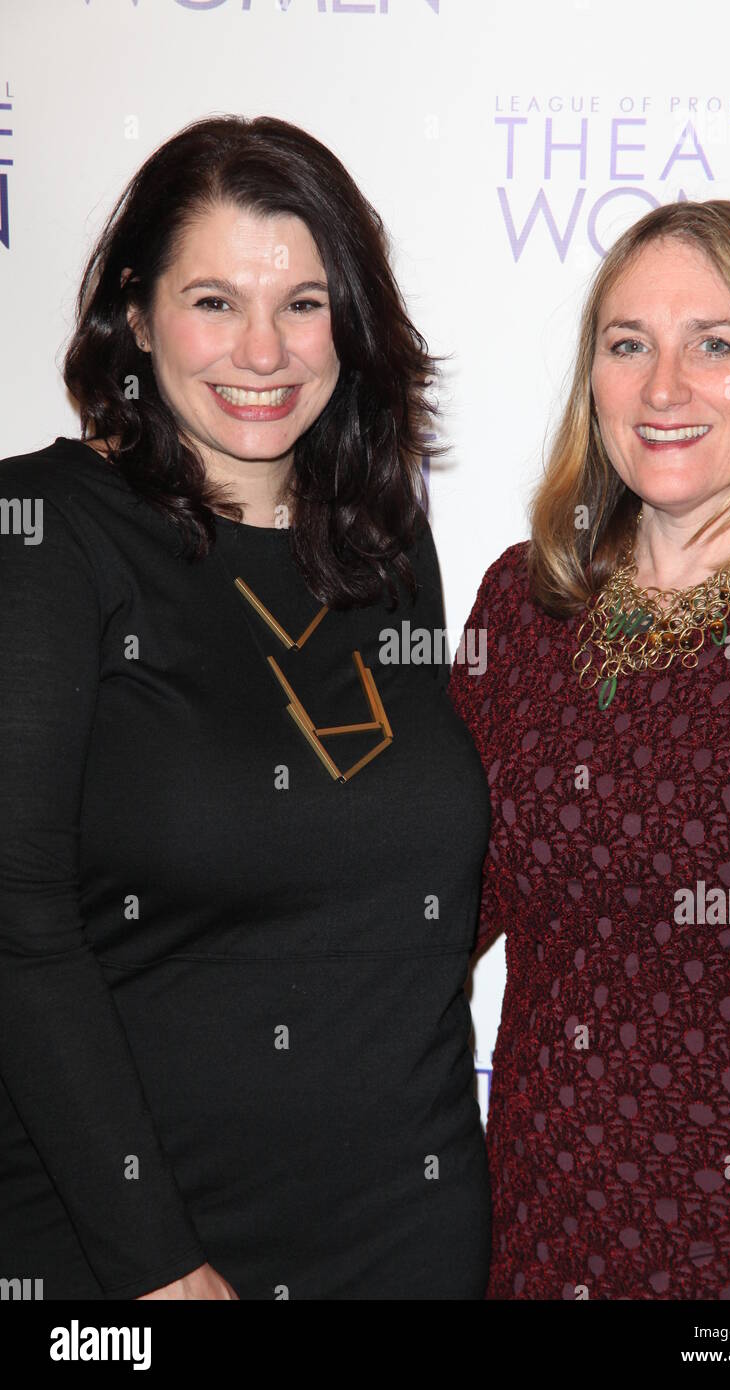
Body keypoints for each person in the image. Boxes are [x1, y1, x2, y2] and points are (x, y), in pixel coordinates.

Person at [0, 114, 491, 1300]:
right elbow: (17, 924)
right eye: (213, 300)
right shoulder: (46, 534)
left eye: (304, 304)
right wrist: (158, 1266)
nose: (263, 350)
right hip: (132, 1248)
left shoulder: (388, 543)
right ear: (134, 311)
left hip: (404, 1235)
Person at [449, 199, 730, 1300]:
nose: (662, 387)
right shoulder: (523, 602)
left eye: (713, 345)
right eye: (626, 344)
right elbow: (430, 910)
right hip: (546, 1235)